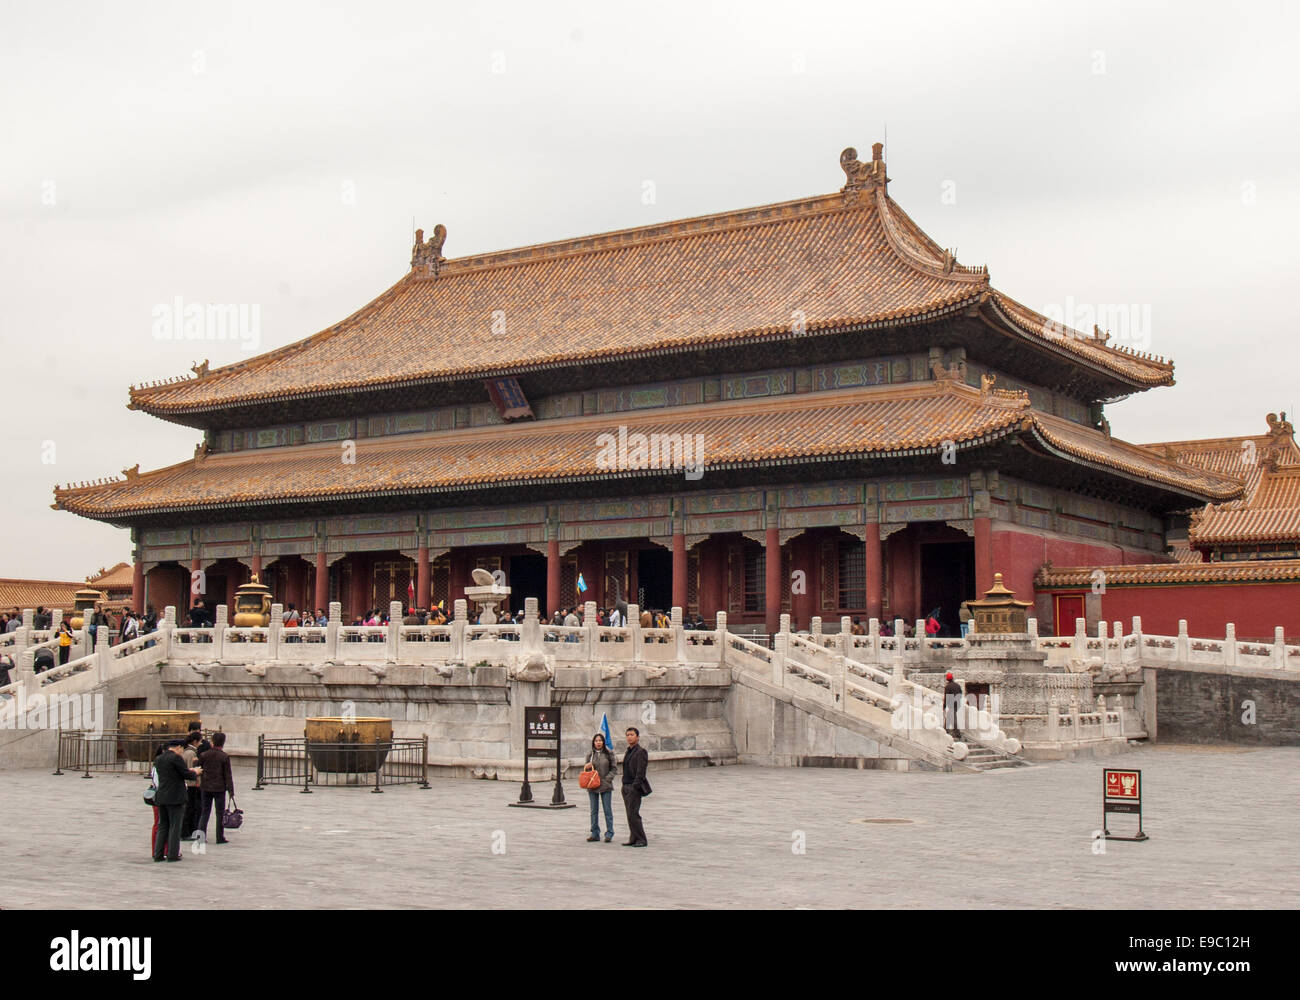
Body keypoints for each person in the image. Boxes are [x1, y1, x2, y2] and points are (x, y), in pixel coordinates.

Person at [153, 739, 200, 862]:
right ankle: (172, 854)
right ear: (178, 747)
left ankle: (158, 854)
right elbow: (185, 774)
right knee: (175, 826)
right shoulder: (176, 758)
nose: (182, 751)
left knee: (163, 826)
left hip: (162, 796)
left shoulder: (159, 759)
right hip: (175, 797)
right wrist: (195, 772)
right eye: (182, 749)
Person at [197, 731, 236, 844]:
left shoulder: (204, 755)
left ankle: (201, 836)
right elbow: (228, 775)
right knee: (219, 813)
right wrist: (231, 791)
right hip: (219, 788)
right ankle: (220, 837)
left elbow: (199, 768)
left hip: (205, 787)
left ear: (212, 742)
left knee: (205, 812)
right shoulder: (224, 756)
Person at [584, 733, 617, 843]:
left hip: (605, 785)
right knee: (594, 810)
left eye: (600, 740)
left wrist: (607, 779)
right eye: (596, 741)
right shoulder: (590, 754)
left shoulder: (609, 753)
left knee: (607, 810)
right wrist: (587, 767)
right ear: (593, 742)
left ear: (603, 742)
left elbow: (614, 769)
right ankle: (594, 832)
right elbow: (586, 770)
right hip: (592, 785)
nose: (598, 742)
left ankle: (609, 832)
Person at [620, 727, 650, 847]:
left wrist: (634, 787)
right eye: (627, 735)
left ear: (637, 737)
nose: (629, 737)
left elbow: (641, 772)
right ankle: (633, 837)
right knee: (629, 813)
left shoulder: (641, 751)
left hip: (634, 787)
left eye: (632, 734)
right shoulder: (628, 751)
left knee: (634, 813)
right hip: (625, 785)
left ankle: (641, 839)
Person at [181, 730, 204, 838]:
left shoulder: (187, 751)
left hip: (189, 784)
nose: (201, 744)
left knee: (190, 808)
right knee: (190, 808)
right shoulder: (191, 753)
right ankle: (186, 831)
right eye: (199, 741)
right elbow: (191, 770)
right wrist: (196, 782)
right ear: (195, 741)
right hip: (190, 785)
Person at [943, 672, 965, 740]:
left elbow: (946, 697)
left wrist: (944, 706)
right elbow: (961, 694)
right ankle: (945, 730)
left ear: (947, 679)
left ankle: (957, 734)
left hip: (951, 704)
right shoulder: (957, 685)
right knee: (949, 715)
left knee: (953, 718)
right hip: (957, 703)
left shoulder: (948, 687)